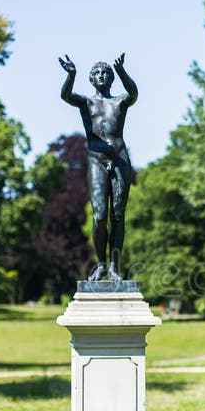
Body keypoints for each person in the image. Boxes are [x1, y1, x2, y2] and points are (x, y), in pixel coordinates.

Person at [58, 53, 137, 281]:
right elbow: (65, 95)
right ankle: (101, 264)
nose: (101, 76)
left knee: (118, 215)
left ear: (111, 78)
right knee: (100, 216)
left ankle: (114, 266)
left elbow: (133, 94)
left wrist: (121, 70)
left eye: (105, 73)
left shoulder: (120, 101)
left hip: (120, 158)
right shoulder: (87, 103)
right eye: (97, 73)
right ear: (91, 79)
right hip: (96, 160)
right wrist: (71, 75)